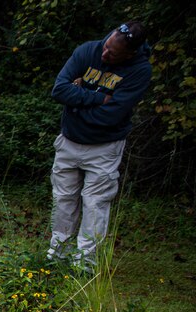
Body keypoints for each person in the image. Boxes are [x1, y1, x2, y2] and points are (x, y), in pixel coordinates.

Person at [48, 21, 152, 269]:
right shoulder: (88, 50)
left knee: (95, 204)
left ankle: (84, 263)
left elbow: (113, 115)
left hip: (104, 147)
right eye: (106, 47)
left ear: (130, 53)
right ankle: (58, 256)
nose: (105, 54)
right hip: (69, 140)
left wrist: (77, 105)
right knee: (63, 199)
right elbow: (59, 90)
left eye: (112, 53)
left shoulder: (139, 70)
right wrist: (97, 98)